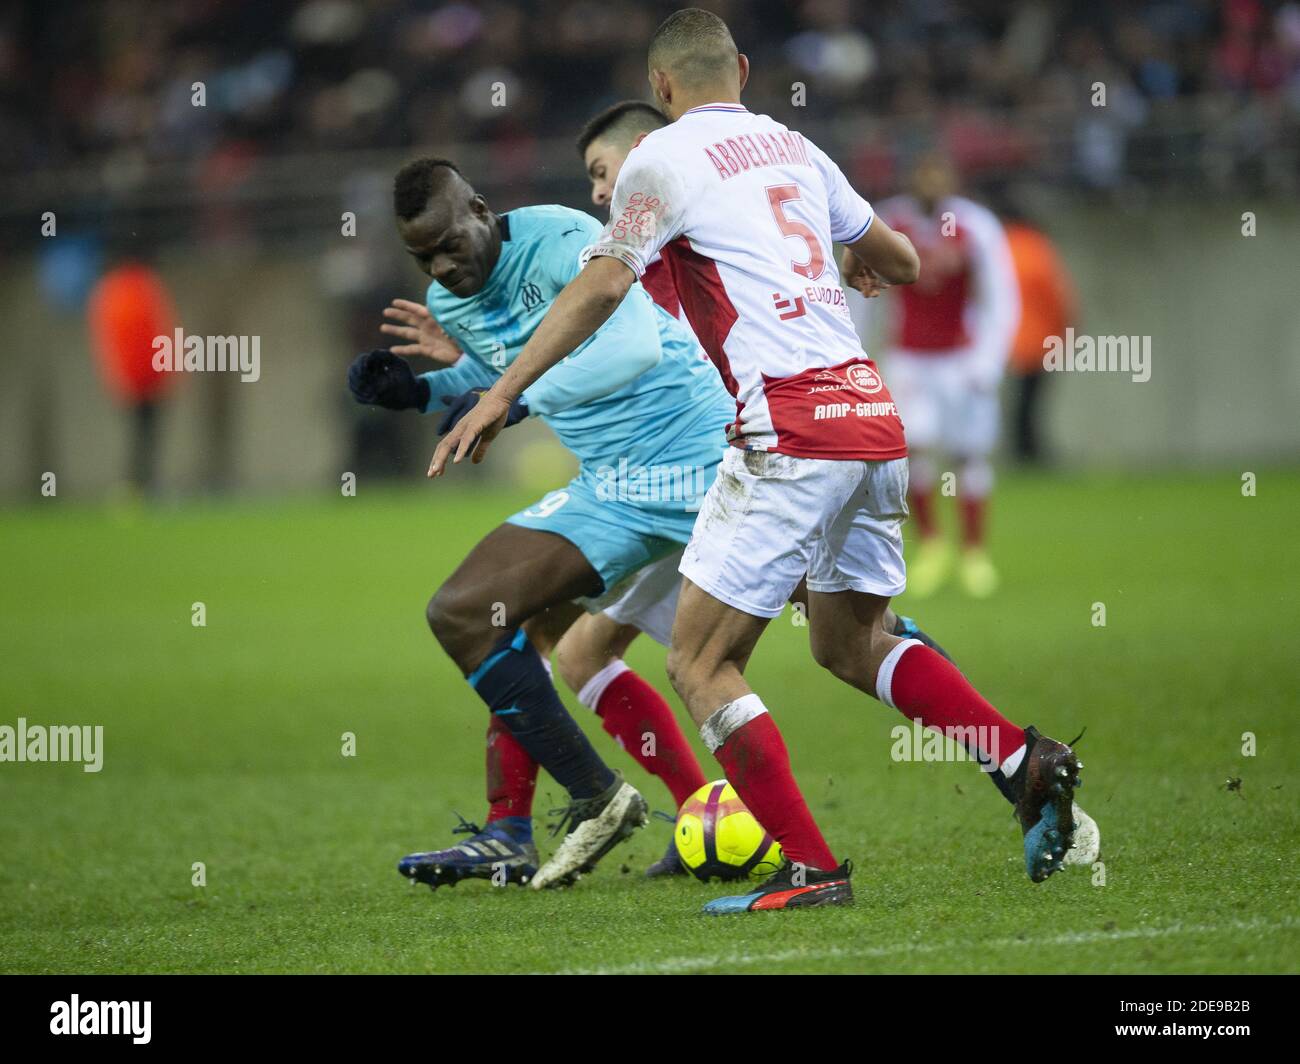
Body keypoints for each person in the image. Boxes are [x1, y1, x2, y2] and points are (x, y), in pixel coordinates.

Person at [431, 9, 1091, 914]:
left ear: (662, 89)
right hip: (869, 419)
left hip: (785, 432)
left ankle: (814, 871)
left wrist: (502, 392)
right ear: (740, 69)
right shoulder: (793, 144)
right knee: (851, 642)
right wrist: (845, 266)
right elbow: (896, 257)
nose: (599, 191)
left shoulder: (661, 161)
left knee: (700, 663)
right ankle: (1024, 759)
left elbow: (602, 283)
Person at [349, 156, 735, 890]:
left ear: (481, 210)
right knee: (477, 614)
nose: (439, 266)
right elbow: (504, 366)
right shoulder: (452, 301)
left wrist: (511, 400)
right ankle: (541, 821)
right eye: (420, 256)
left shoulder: (563, 238)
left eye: (447, 244)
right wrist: (418, 391)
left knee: (846, 634)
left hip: (701, 464)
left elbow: (629, 348)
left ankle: (1015, 762)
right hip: (613, 487)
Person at [874, 155, 1020, 598]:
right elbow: (860, 289)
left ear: (953, 180)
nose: (931, 182)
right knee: (913, 450)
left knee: (969, 454)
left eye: (939, 174)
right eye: (923, 174)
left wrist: (989, 360)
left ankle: (974, 552)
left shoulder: (977, 225)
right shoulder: (887, 219)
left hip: (961, 357)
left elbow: (1002, 296)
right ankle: (933, 545)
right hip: (910, 357)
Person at [1001, 204, 1078, 464]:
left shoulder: (1002, 247)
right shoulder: (1038, 247)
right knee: (1031, 402)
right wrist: (1066, 331)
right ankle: (1029, 452)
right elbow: (1057, 296)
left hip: (1009, 340)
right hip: (1042, 340)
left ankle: (1024, 451)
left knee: (1022, 401)